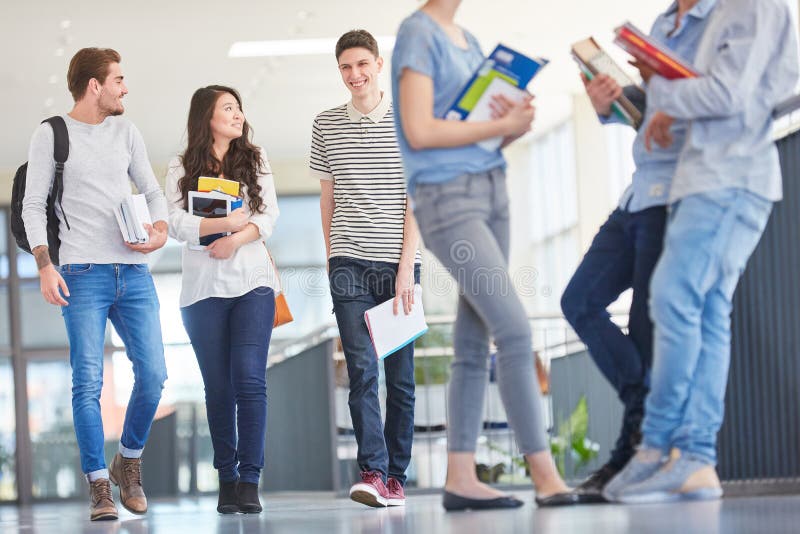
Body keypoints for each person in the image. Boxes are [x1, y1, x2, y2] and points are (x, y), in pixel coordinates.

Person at [604, 0, 799, 503]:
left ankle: (660, 448)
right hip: (712, 175)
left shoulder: (752, 6)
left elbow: (730, 93)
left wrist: (659, 83)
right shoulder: (729, 13)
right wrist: (666, 103)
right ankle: (696, 459)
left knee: (672, 297)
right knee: (708, 312)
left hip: (729, 178)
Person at [392, 0, 575, 510]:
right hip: (448, 197)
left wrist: (513, 122)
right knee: (514, 331)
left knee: (473, 344)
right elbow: (421, 130)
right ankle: (545, 476)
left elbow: (473, 125)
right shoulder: (418, 33)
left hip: (493, 188)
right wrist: (495, 128)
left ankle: (460, 478)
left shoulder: (467, 40)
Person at [560, 0, 717, 503]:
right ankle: (642, 408)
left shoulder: (724, 20)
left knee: (647, 330)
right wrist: (607, 100)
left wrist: (661, 93)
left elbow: (712, 103)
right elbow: (645, 111)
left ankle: (638, 450)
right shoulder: (661, 23)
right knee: (578, 301)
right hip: (636, 195)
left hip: (675, 196)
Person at [21, 47, 169, 521]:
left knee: (154, 374)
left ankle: (128, 459)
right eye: (118, 79)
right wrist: (45, 264)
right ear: (94, 86)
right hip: (81, 273)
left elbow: (151, 190)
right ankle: (99, 486)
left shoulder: (127, 132)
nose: (125, 88)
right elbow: (31, 204)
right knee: (87, 382)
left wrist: (160, 228)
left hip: (133, 272)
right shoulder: (52, 134)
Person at [311, 29, 421, 508]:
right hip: (348, 264)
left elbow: (413, 198)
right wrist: (332, 253)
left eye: (361, 64)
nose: (354, 75)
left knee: (399, 377)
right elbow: (328, 195)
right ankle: (373, 471)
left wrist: (405, 268)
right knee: (361, 369)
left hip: (397, 265)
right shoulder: (326, 124)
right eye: (345, 67)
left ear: (378, 64)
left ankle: (396, 476)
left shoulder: (406, 120)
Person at [166, 85, 279, 514]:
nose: (237, 114)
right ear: (206, 118)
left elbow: (269, 215)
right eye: (227, 108)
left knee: (249, 378)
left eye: (238, 107)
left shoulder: (256, 157)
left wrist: (235, 237)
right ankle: (226, 477)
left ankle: (250, 479)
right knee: (218, 387)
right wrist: (216, 227)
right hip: (202, 292)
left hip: (252, 282)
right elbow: (174, 222)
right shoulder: (180, 165)